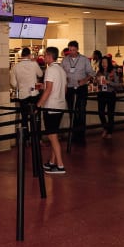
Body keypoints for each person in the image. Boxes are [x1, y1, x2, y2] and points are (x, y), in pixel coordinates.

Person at [38, 46, 68, 175]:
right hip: (61, 105)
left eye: (45, 55)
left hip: (51, 106)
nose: (43, 57)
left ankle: (60, 165)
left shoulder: (50, 70)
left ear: (50, 56)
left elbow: (49, 89)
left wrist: (39, 104)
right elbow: (64, 88)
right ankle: (51, 162)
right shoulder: (61, 69)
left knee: (52, 136)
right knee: (53, 135)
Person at [62, 40, 95, 144]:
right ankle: (73, 136)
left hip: (81, 88)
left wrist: (85, 80)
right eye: (70, 50)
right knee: (72, 112)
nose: (72, 52)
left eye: (73, 50)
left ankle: (81, 137)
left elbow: (91, 73)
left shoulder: (84, 59)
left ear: (77, 49)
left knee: (81, 111)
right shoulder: (65, 60)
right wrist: (64, 79)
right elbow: (61, 73)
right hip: (70, 88)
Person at [96, 55, 122, 139]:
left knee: (110, 114)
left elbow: (118, 84)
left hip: (110, 94)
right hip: (101, 94)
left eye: (105, 62)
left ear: (109, 63)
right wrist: (97, 82)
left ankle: (110, 131)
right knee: (100, 112)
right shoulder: (99, 72)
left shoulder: (113, 71)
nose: (104, 64)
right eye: (102, 62)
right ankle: (105, 128)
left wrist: (108, 82)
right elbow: (96, 83)